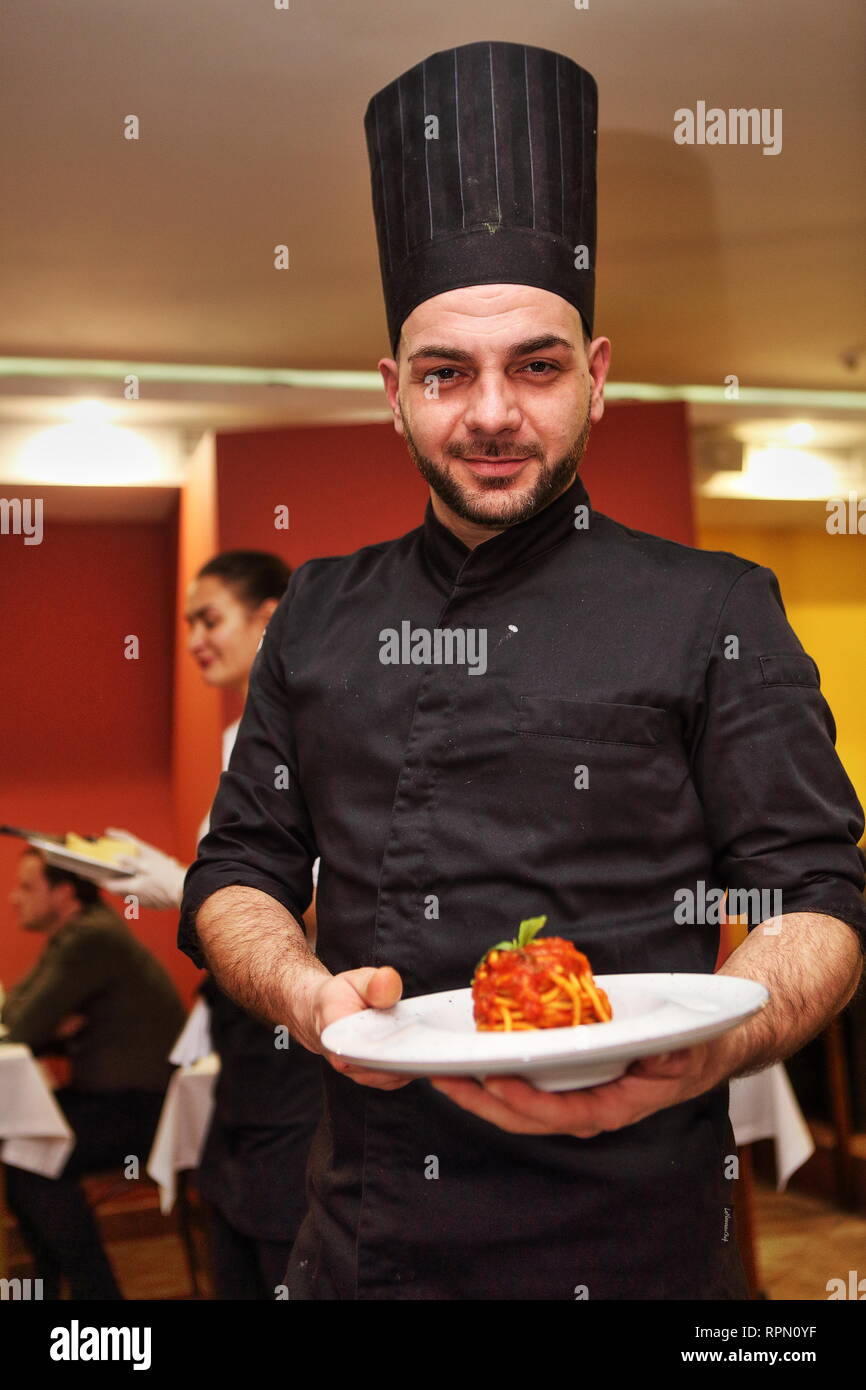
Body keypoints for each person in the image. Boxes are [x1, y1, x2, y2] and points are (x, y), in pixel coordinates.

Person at [177, 41, 866, 1300]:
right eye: (444, 372)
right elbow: (235, 873)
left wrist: (717, 1046)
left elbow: (813, 892)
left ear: (593, 377)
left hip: (642, 1235)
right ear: (392, 393)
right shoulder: (318, 609)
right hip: (370, 1233)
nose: (490, 413)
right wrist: (309, 993)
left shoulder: (713, 606)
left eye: (535, 366)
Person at [101, 550, 322, 1300]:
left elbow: (320, 896)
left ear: (268, 617)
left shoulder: (316, 721)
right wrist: (180, 883)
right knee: (231, 1224)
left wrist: (183, 887)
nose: (195, 639)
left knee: (282, 1233)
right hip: (241, 1025)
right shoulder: (240, 736)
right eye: (188, 623)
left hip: (297, 1020)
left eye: (209, 619)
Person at [1, 850, 185, 1299]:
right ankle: (48, 1288)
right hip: (118, 1097)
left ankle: (92, 1293)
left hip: (144, 1106)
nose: (13, 897)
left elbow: (20, 1027)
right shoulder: (77, 935)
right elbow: (15, 1015)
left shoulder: (90, 939)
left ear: (64, 893)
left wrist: (48, 1027)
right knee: (21, 1148)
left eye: (27, 887)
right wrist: (52, 1026)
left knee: (30, 1156)